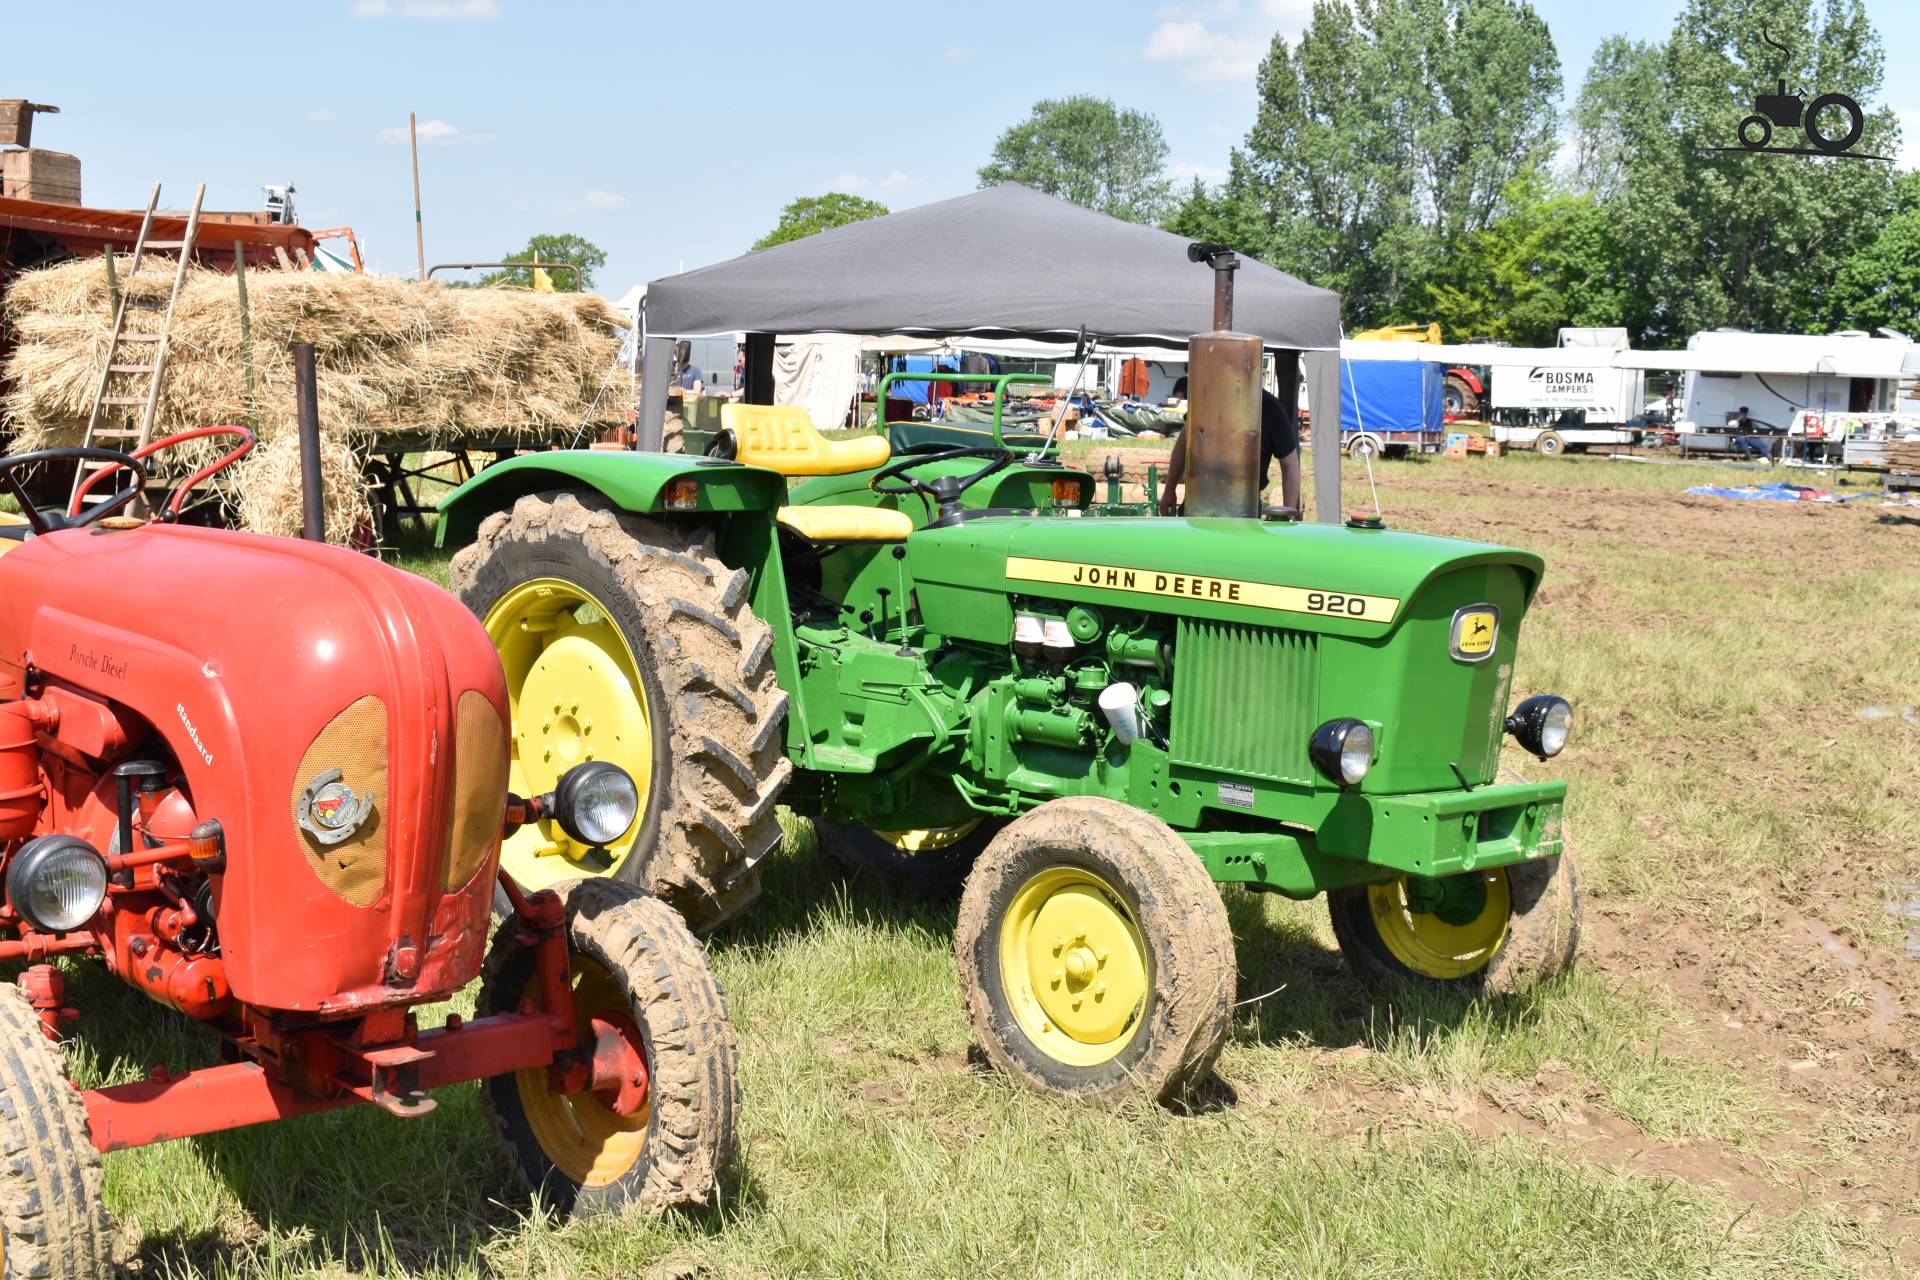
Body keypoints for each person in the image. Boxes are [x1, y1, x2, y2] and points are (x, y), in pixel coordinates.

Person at [1158, 387, 1301, 514]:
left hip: (1244, 511)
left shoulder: (1269, 407)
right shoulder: (1209, 397)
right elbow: (1183, 443)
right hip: (1197, 505)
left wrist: (1288, 513)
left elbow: (1290, 465)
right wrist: (1169, 489)